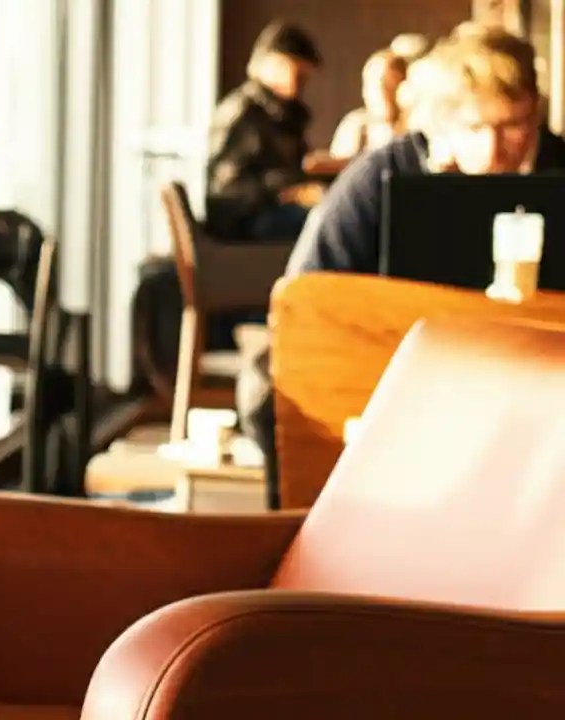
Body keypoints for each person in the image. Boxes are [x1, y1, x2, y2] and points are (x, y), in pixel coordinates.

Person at [238, 26, 565, 508]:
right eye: (476, 128)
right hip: (397, 380)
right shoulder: (382, 176)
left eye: (512, 127)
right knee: (267, 385)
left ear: (535, 114)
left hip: (540, 381)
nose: (495, 150)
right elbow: (307, 298)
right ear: (444, 123)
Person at [206, 21, 325, 240]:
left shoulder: (285, 114)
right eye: (297, 74)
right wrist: (286, 190)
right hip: (245, 221)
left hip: (265, 211)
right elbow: (226, 188)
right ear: (269, 63)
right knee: (323, 221)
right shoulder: (244, 113)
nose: (301, 85)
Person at [329, 50, 409, 158]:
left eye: (388, 84)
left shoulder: (417, 126)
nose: (381, 93)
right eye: (373, 85)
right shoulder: (355, 126)